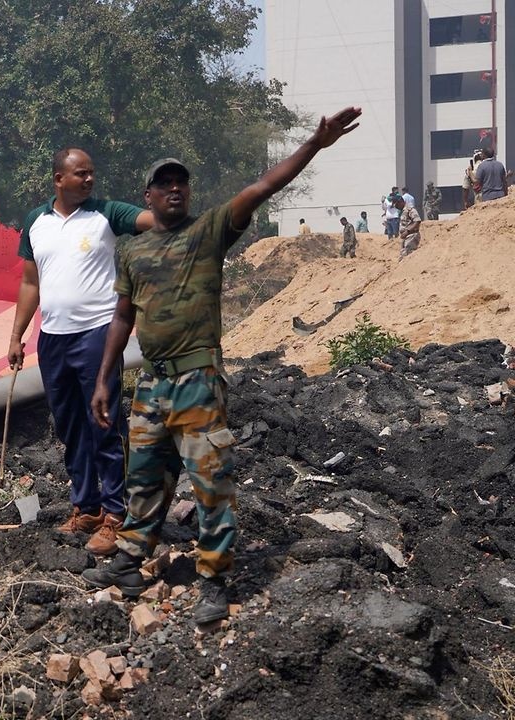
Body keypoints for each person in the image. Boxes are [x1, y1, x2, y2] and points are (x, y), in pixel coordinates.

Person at [83, 107, 362, 625]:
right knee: (144, 475)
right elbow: (122, 317)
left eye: (180, 183)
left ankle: (213, 578)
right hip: (151, 383)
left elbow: (261, 187)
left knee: (209, 482)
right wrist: (105, 381)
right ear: (147, 196)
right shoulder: (133, 252)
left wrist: (313, 145)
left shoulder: (209, 232)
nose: (174, 190)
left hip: (197, 381)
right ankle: (129, 559)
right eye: (163, 184)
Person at [7, 146, 155, 556]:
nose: (89, 180)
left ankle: (115, 513)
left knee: (103, 423)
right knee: (70, 426)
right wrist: (17, 335)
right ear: (59, 179)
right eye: (81, 174)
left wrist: (168, 209)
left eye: (92, 173)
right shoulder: (36, 222)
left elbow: (147, 219)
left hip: (98, 335)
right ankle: (85, 507)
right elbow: (30, 283)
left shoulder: (106, 213)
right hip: (52, 338)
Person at [396, 195, 422, 260]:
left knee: (407, 255)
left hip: (412, 235)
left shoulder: (410, 209)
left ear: (400, 202)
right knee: (403, 255)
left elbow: (417, 221)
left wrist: (407, 231)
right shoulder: (402, 211)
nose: (396, 207)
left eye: (396, 204)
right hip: (406, 237)